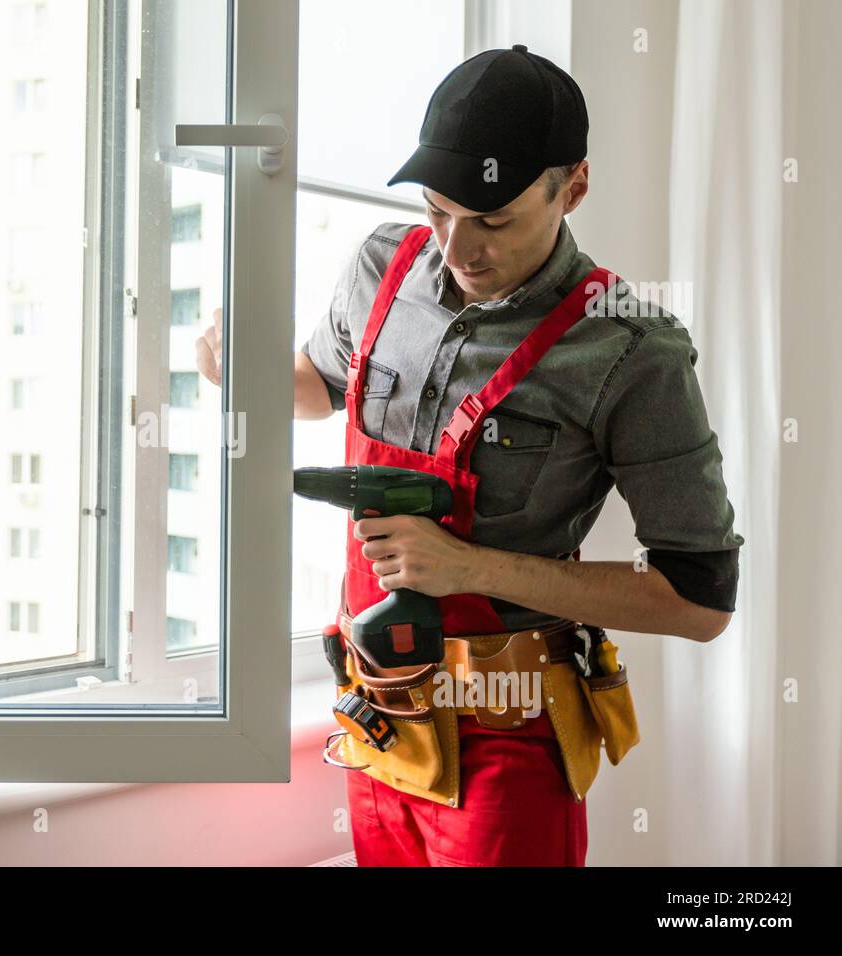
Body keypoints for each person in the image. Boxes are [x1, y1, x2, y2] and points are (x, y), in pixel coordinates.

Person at [195, 45, 743, 866]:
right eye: (440, 210)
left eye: (493, 220)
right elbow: (321, 385)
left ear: (574, 188)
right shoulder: (384, 264)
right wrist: (242, 367)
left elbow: (700, 602)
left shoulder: (633, 350)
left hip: (506, 736)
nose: (457, 247)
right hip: (378, 719)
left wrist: (469, 567)